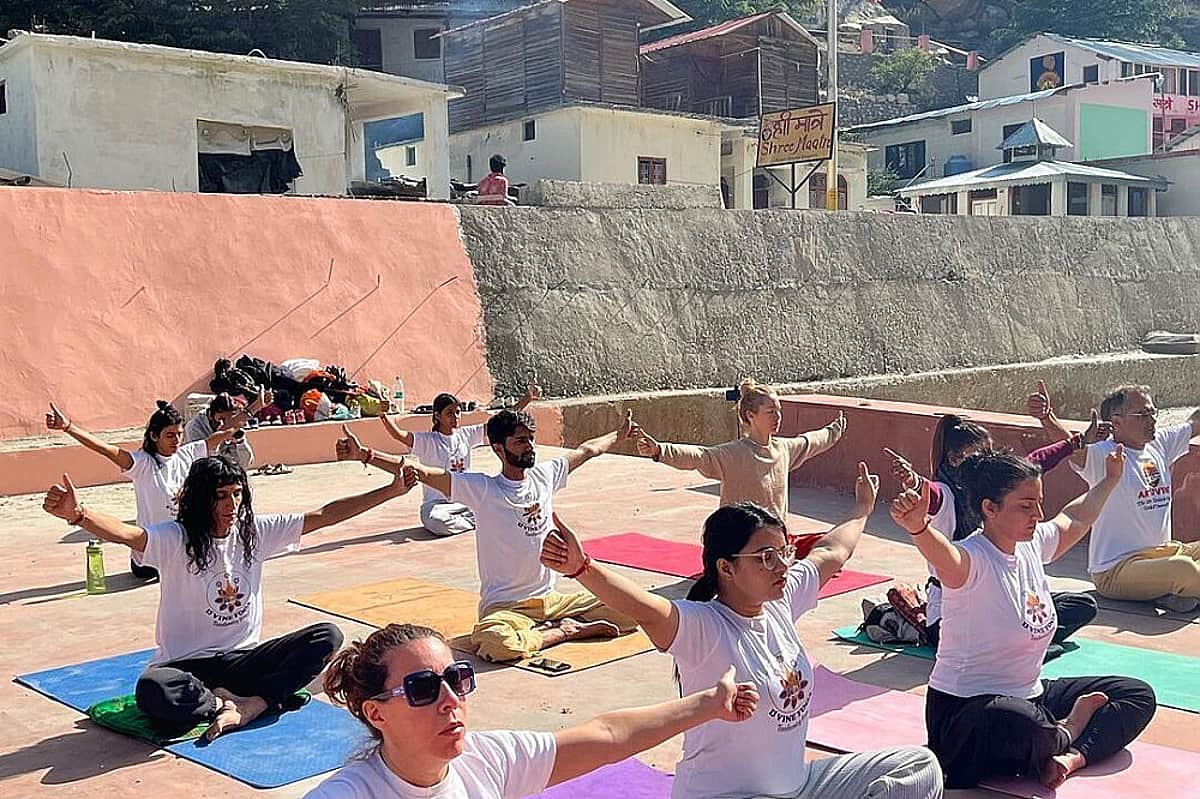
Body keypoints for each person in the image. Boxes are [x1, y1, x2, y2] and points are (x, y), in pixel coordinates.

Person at [541, 466, 945, 799]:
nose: (782, 566)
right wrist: (583, 568)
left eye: (783, 553)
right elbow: (643, 609)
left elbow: (831, 551)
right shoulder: (703, 627)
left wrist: (862, 508)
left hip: (800, 788)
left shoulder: (780, 601)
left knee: (919, 767)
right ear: (726, 567)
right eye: (766, 558)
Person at [41, 455, 417, 740]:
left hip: (244, 661)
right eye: (220, 495)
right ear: (200, 499)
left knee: (326, 636)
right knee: (152, 690)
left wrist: (391, 489)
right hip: (188, 667)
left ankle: (254, 703)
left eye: (237, 493)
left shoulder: (255, 532)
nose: (230, 503)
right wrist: (78, 514)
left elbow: (324, 515)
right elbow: (128, 535)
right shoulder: (177, 538)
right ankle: (219, 700)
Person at [892, 449, 1156, 789]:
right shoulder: (973, 559)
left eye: (1039, 503)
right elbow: (945, 556)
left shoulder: (1032, 545)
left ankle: (1069, 757)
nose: (1037, 514)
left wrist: (1111, 479)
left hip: (1030, 696)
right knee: (1014, 720)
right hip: (966, 713)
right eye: (1025, 506)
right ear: (990, 508)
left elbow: (1076, 517)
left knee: (1136, 694)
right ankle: (1068, 730)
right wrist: (919, 528)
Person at [304, 622, 758, 798]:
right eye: (423, 689)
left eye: (457, 678)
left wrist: (707, 704)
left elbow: (607, 736)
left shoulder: (487, 761)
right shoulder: (349, 795)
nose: (451, 700)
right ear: (376, 713)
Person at [338, 409, 639, 663]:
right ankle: (565, 631)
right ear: (499, 448)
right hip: (507, 608)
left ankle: (549, 628)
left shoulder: (545, 475)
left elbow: (588, 450)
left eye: (530, 439)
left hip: (553, 600)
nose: (529, 446)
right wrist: (364, 454)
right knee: (497, 644)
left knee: (633, 608)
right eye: (520, 441)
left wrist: (619, 434)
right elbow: (421, 471)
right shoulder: (483, 489)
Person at [887, 410, 1106, 650]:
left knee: (1081, 605)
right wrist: (913, 482)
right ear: (953, 459)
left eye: (988, 452)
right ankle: (1027, 644)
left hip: (1007, 600)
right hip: (960, 616)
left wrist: (1078, 442)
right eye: (977, 454)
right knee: (990, 631)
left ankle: (1029, 642)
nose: (986, 459)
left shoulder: (1002, 492)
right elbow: (932, 494)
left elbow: (1035, 464)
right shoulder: (947, 494)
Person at [45, 399, 254, 580]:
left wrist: (256, 407)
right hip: (149, 557)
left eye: (179, 434)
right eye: (170, 435)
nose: (177, 440)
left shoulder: (189, 453)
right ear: (155, 436)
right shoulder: (141, 463)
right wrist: (68, 427)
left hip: (184, 547)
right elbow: (104, 449)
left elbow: (226, 431)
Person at [1065, 385, 1200, 611]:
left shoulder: (1159, 445)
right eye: (1142, 415)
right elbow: (1075, 454)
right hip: (1116, 570)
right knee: (1183, 569)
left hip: (1162, 553)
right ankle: (1173, 587)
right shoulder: (1102, 454)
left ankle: (1168, 591)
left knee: (1183, 567)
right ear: (1116, 422)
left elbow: (1195, 424)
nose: (1152, 420)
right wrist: (1049, 421)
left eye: (1152, 413)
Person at [634, 378, 847, 522]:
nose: (777, 417)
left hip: (773, 545)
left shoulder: (783, 449)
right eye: (771, 412)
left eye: (779, 411)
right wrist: (659, 450)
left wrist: (834, 430)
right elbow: (699, 456)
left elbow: (811, 441)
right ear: (750, 416)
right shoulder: (733, 454)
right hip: (739, 546)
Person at [375, 385, 541, 537]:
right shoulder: (427, 440)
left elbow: (502, 421)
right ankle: (480, 519)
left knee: (498, 502)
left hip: (465, 500)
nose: (455, 417)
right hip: (438, 505)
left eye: (457, 412)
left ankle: (482, 515)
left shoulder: (466, 434)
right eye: (449, 413)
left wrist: (527, 399)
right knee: (435, 521)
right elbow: (399, 435)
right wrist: (383, 416)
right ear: (437, 416)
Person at [184, 391, 264, 470]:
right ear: (210, 415)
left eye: (229, 419)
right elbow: (202, 462)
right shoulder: (194, 428)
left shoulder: (233, 425)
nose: (225, 423)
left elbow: (245, 463)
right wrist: (219, 438)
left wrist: (240, 442)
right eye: (221, 419)